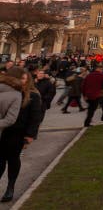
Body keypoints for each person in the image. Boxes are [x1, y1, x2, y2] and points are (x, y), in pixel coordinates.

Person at [0, 68, 42, 202]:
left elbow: (35, 117)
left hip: (17, 133)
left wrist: (30, 135)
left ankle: (10, 187)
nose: (22, 81)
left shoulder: (33, 95)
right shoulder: (8, 92)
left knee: (12, 159)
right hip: (3, 130)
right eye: (20, 78)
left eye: (24, 78)